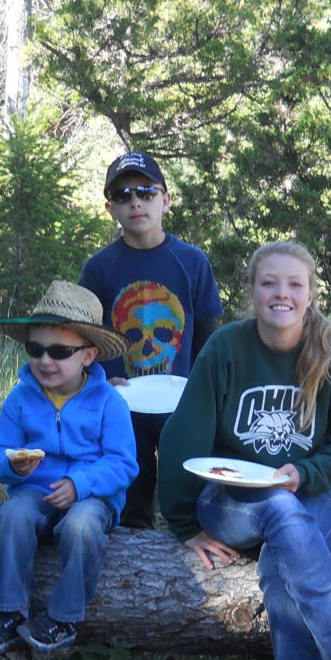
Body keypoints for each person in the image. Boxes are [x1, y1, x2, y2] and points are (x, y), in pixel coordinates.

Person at [158, 240, 331, 660]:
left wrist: (304, 471)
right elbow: (183, 437)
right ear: (252, 292)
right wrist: (182, 524)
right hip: (230, 500)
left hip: (310, 496)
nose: (280, 293)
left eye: (293, 284)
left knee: (283, 567)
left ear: (310, 294)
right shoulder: (226, 348)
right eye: (269, 283)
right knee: (280, 512)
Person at [0, 281, 137, 653]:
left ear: (89, 356)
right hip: (35, 490)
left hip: (93, 494)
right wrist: (13, 466)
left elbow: (123, 464)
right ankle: (9, 610)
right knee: (10, 518)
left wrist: (80, 484)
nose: (46, 361)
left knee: (80, 525)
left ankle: (65, 616)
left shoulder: (110, 403)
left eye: (60, 351)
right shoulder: (21, 398)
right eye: (36, 349)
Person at [79, 151, 224, 528]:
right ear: (111, 208)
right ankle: (132, 563)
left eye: (145, 191)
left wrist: (202, 392)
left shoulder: (192, 262)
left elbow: (208, 335)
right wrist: (98, 381)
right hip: (120, 401)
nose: (136, 202)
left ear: (166, 199)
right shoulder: (99, 268)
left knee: (188, 493)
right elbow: (83, 338)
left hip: (181, 399)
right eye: (123, 195)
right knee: (131, 499)